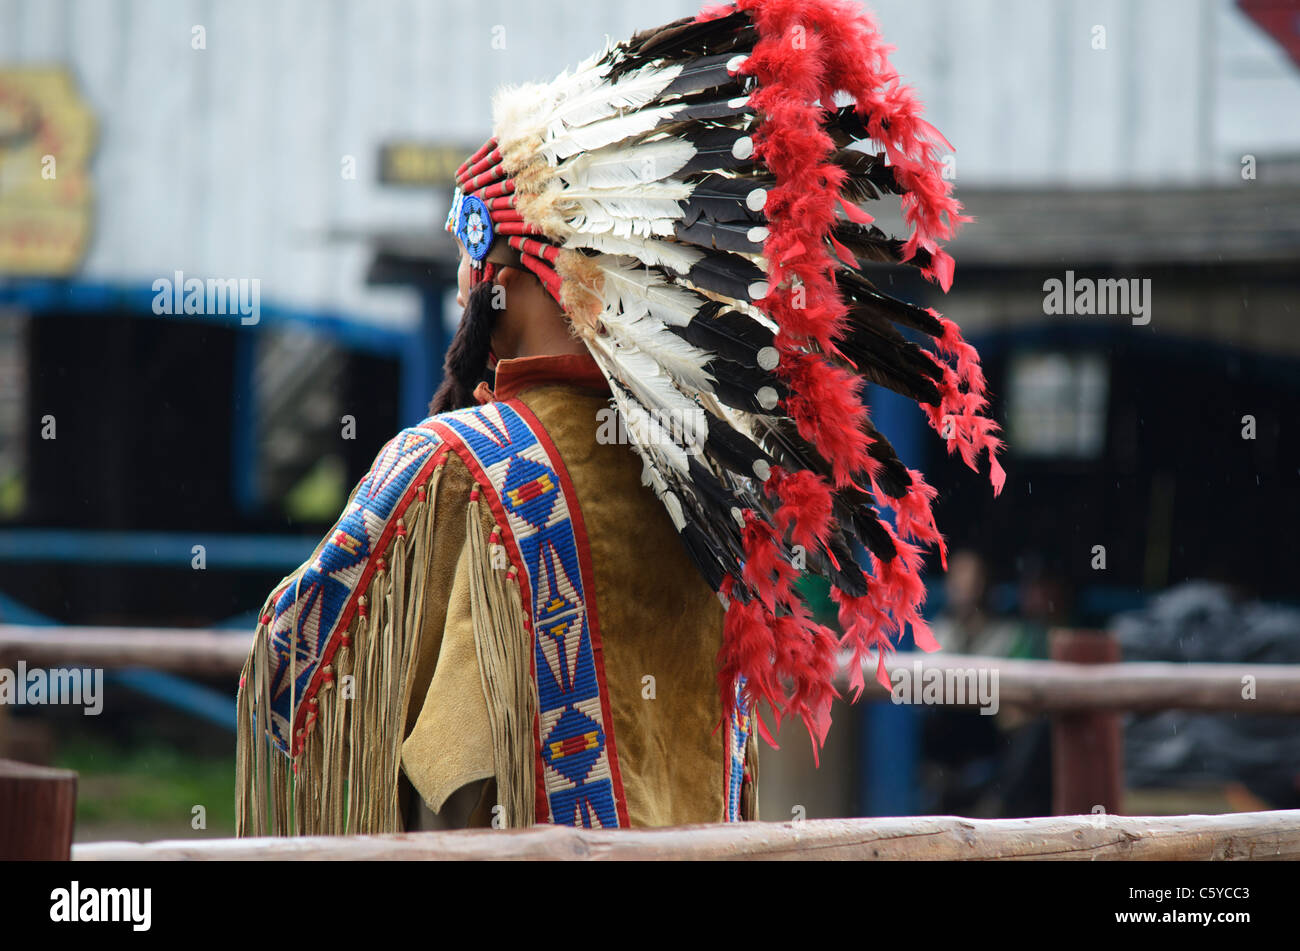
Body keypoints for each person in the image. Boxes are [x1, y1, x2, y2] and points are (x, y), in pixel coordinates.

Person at [235, 0, 1003, 835]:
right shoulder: (706, 480)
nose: (460, 287)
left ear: (505, 272)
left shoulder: (452, 459)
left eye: (467, 258)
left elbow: (292, 662)